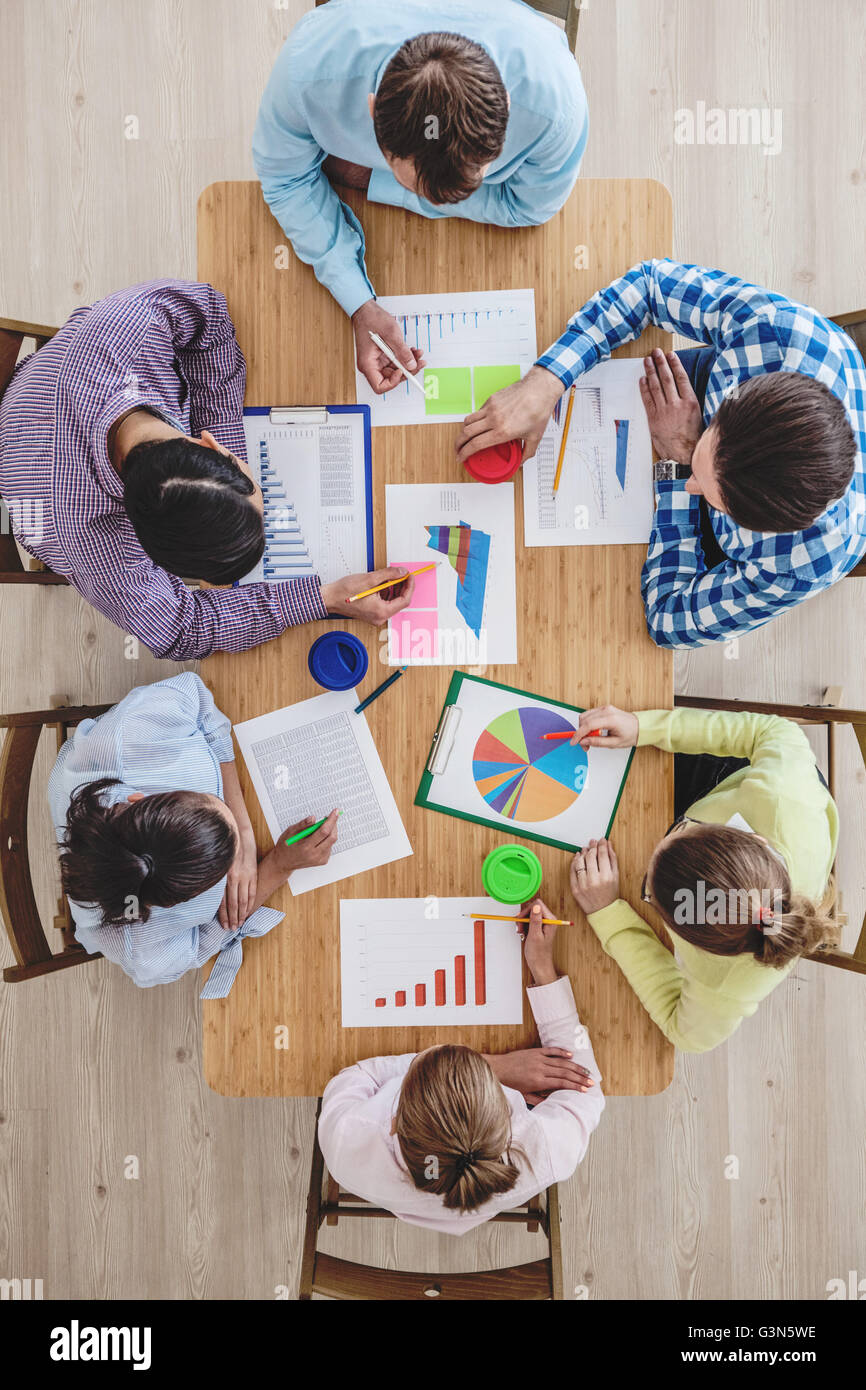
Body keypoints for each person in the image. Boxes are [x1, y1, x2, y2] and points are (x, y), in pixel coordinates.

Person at [455, 260, 866, 648]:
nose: (694, 484)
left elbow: (669, 621)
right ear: (736, 399)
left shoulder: (803, 561)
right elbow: (650, 285)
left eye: (709, 493)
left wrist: (680, 466)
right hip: (691, 401)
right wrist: (546, 382)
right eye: (708, 447)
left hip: (691, 496)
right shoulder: (778, 335)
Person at [0, 279, 413, 659]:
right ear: (143, 551)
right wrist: (323, 597)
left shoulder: (127, 328)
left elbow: (208, 314)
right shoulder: (95, 546)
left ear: (210, 441)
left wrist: (222, 467)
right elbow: (181, 632)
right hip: (31, 488)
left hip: (35, 403)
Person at [253, 1, 588, 393]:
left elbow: (530, 207)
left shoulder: (557, 106)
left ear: (507, 109)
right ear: (373, 110)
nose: (432, 204)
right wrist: (358, 300)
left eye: (469, 183)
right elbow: (283, 177)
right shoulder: (307, 69)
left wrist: (376, 183)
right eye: (413, 186)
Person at [565, 704, 840, 1052]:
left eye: (648, 889)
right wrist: (643, 727)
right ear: (753, 838)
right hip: (736, 782)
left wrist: (609, 912)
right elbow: (772, 731)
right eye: (682, 829)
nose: (663, 832)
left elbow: (687, 1036)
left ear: (687, 939)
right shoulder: (779, 789)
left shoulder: (728, 983)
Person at [47, 673, 338, 996]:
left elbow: (197, 698)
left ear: (138, 798)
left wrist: (242, 829)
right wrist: (278, 867)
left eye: (209, 800)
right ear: (183, 899)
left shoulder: (134, 731)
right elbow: (201, 942)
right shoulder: (141, 951)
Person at [318, 904, 604, 1232]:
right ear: (508, 1119)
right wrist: (541, 966)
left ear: (394, 1123)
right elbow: (586, 1086)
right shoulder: (545, 1151)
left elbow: (359, 1076)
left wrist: (493, 1067)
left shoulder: (347, 1141)